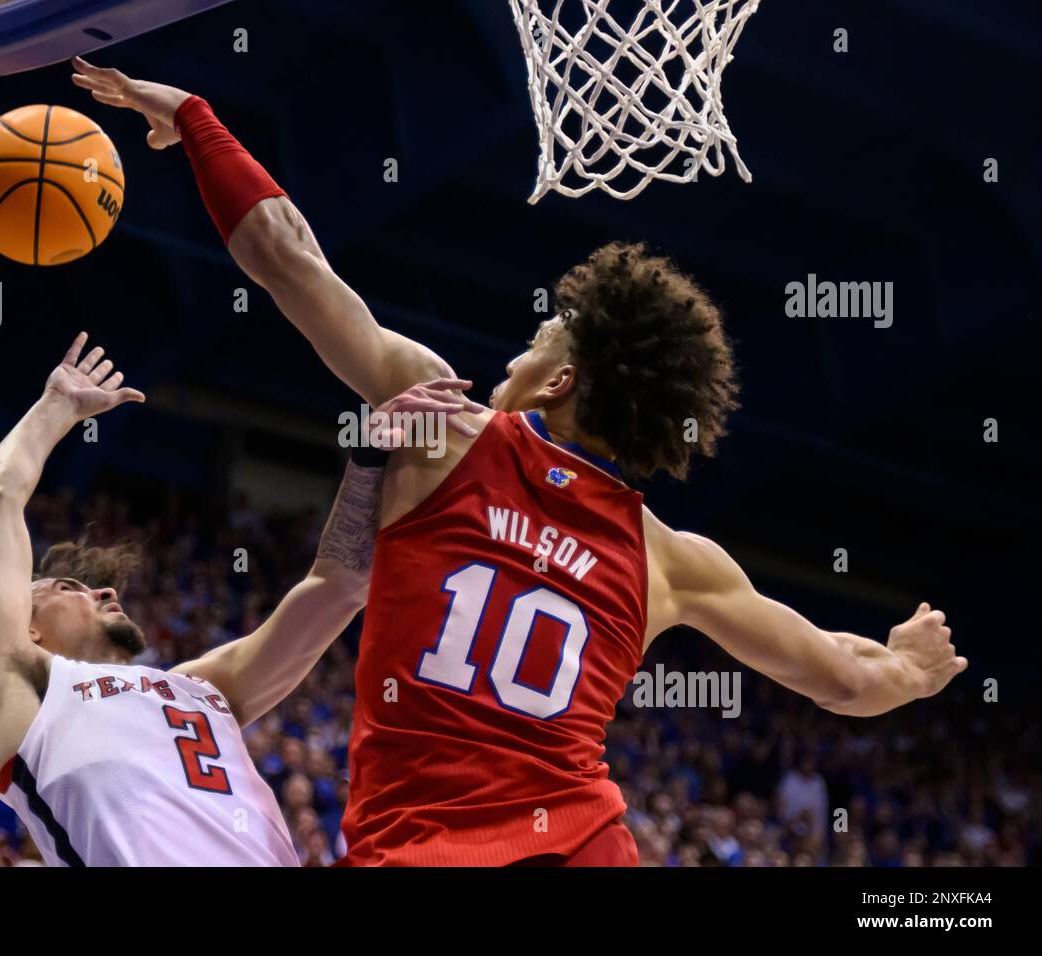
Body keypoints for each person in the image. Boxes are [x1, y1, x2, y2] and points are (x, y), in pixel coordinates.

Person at [72, 59, 969, 866]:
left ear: (560, 382)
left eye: (534, 344)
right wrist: (912, 668)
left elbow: (285, 257)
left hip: (417, 851)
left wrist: (194, 116)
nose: (510, 359)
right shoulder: (677, 562)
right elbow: (843, 678)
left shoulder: (441, 423)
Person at [0, 333, 469, 866]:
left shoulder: (199, 687)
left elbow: (339, 584)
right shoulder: (20, 689)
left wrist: (368, 458)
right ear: (27, 626)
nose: (104, 590)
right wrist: (58, 405)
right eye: (66, 588)